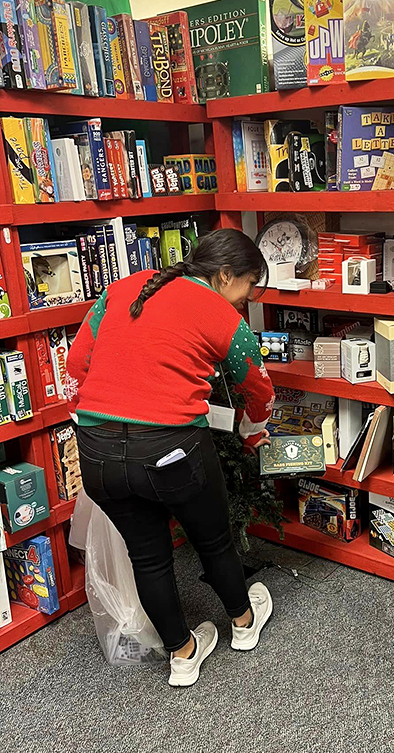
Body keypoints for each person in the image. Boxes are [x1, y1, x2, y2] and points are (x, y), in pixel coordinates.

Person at [67, 229, 276, 687]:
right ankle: (243, 622)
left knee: (147, 555)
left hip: (96, 449)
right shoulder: (220, 315)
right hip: (171, 447)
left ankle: (182, 654)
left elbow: (77, 364)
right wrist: (252, 428)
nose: (247, 300)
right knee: (213, 540)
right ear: (225, 276)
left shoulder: (123, 288)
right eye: (249, 287)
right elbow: (258, 388)